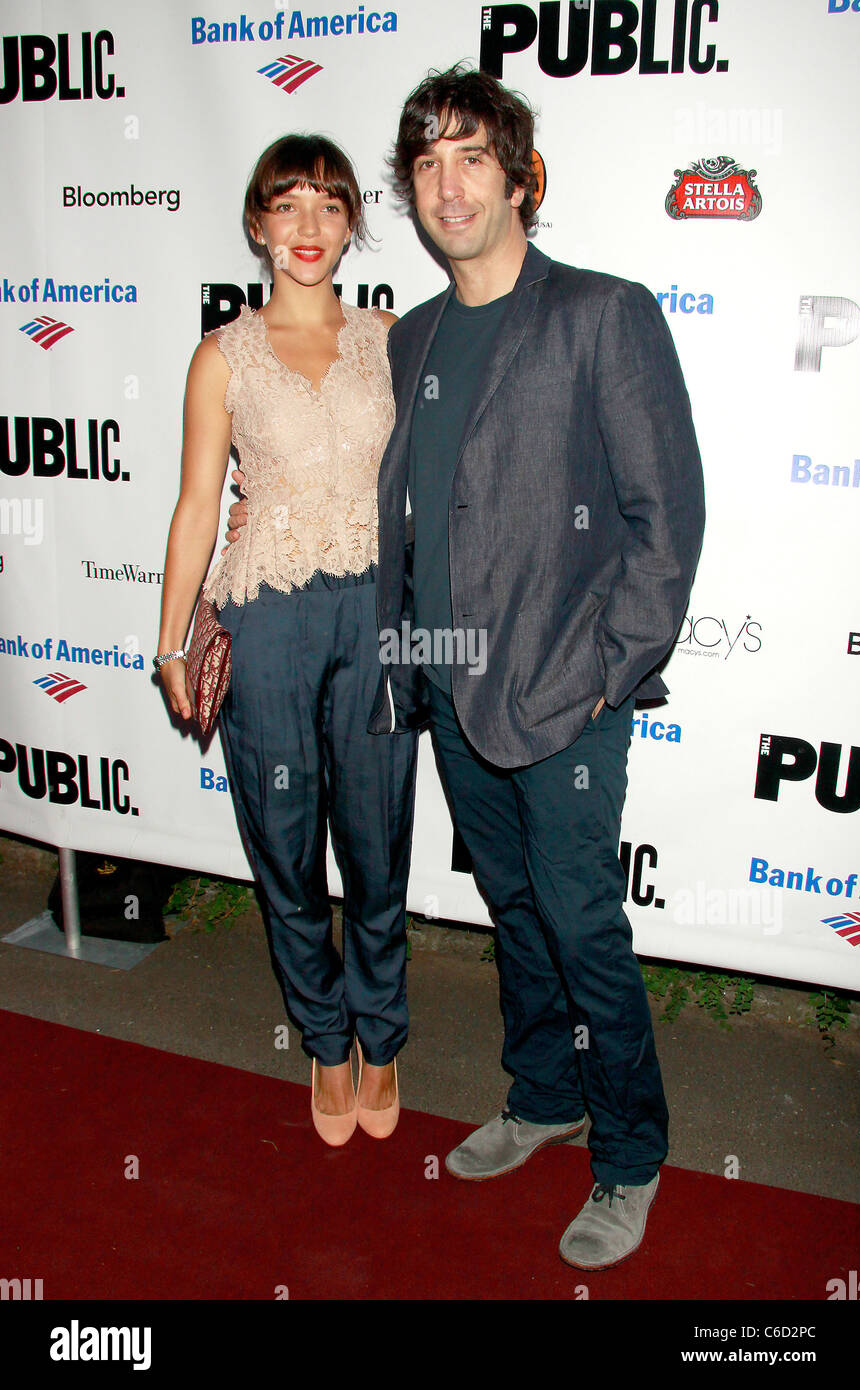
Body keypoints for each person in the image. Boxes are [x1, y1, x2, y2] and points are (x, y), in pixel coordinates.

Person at [228, 67, 705, 1270]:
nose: (448, 184)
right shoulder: (414, 335)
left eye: (472, 158)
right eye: (427, 163)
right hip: (449, 692)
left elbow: (666, 518)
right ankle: (543, 1094)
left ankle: (629, 1152)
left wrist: (603, 675)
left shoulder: (602, 311)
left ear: (517, 177)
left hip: (566, 696)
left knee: (581, 923)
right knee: (517, 917)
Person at [156, 134, 418, 1148]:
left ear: (351, 223)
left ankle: (382, 1031)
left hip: (375, 614)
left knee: (379, 836)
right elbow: (192, 507)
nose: (307, 228)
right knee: (282, 844)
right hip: (263, 613)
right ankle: (321, 1033)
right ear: (258, 225)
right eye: (287, 206)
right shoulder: (221, 353)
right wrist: (171, 641)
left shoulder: (394, 339)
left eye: (327, 205)